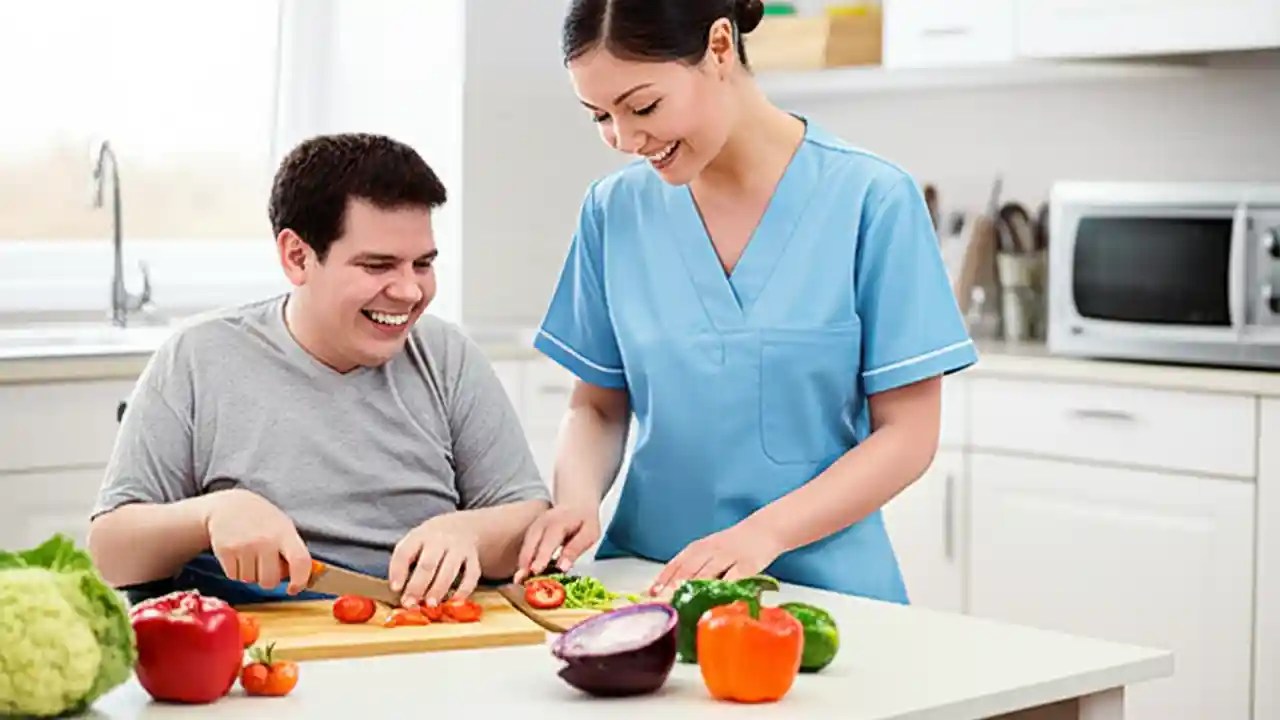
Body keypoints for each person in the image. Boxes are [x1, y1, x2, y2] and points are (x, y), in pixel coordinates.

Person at [514, 0, 978, 604]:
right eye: (600, 115)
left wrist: (761, 536)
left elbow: (908, 435)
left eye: (643, 106)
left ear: (720, 47)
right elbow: (598, 406)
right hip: (648, 587)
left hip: (825, 596)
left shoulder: (872, 201)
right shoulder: (613, 211)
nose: (625, 139)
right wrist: (577, 500)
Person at [88, 133, 550, 609]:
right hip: (269, 647)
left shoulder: (447, 356)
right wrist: (211, 514)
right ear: (297, 257)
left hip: (426, 636)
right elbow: (111, 554)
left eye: (423, 264)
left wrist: (470, 532)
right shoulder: (197, 358)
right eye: (378, 266)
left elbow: (530, 519)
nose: (410, 292)